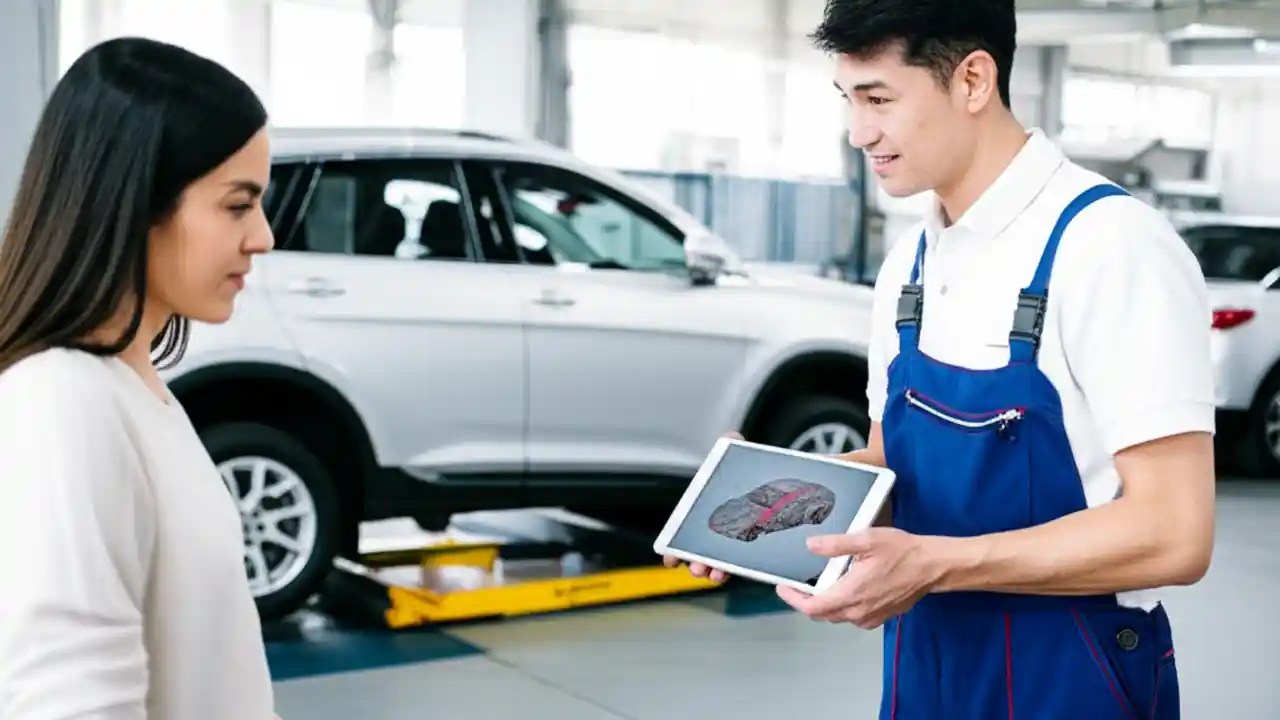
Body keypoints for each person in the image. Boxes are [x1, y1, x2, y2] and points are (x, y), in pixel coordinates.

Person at [665, 1, 1215, 717]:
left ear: (973, 80)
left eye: (879, 100)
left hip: (1071, 676)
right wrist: (772, 494)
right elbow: (891, 466)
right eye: (848, 99)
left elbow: (1174, 533)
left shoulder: (1111, 247)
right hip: (924, 667)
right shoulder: (910, 264)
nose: (858, 132)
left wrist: (934, 564)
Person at [0, 37, 277, 719]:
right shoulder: (62, 400)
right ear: (135, 199)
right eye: (237, 205)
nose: (263, 237)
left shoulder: (134, 387)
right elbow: (72, 704)